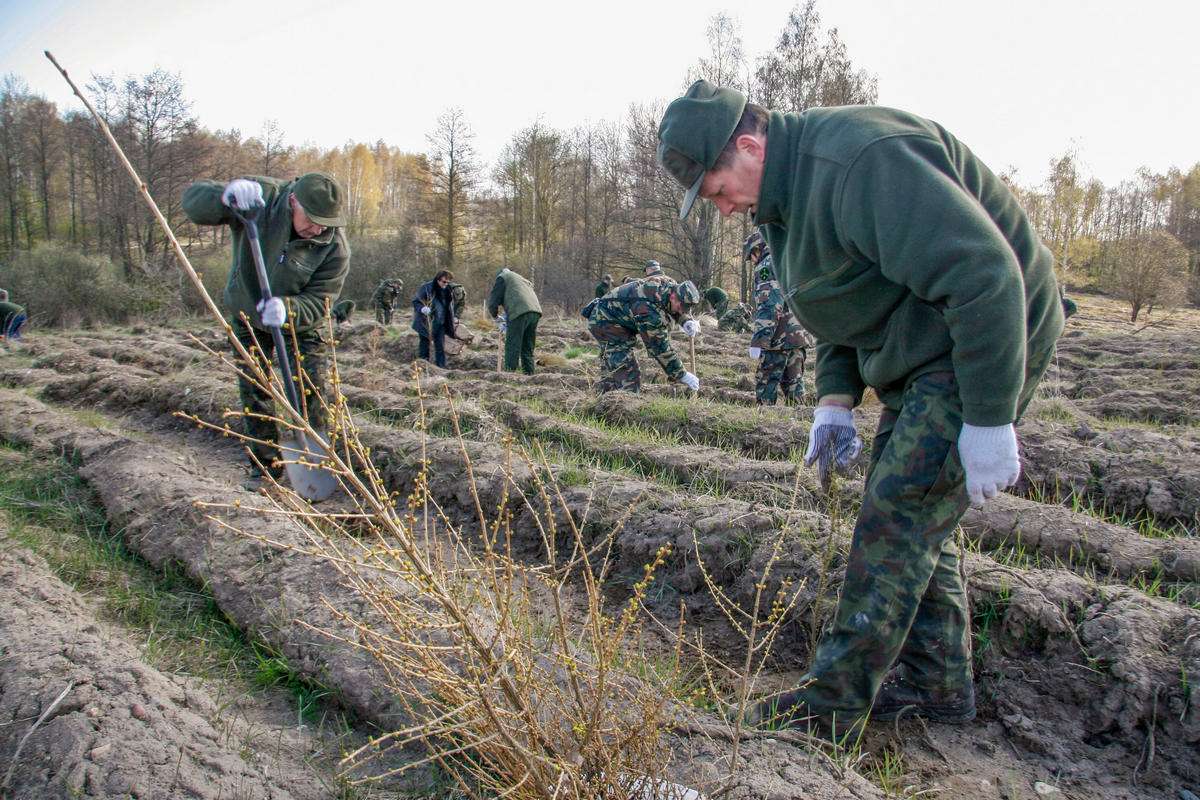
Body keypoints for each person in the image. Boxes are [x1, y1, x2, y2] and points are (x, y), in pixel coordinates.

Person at [657, 80, 1064, 735]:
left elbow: (986, 277)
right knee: (912, 508)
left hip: (979, 340)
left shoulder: (859, 161)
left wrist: (989, 417)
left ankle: (833, 705)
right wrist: (834, 400)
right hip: (923, 349)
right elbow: (842, 304)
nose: (723, 208)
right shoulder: (782, 207)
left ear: (750, 146)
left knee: (896, 513)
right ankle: (938, 688)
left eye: (716, 190)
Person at [182, 172, 350, 488]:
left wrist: (290, 309)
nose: (317, 229)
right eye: (311, 219)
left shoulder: (334, 247)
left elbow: (321, 300)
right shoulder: (262, 201)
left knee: (309, 392)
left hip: (300, 324)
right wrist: (225, 195)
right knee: (255, 390)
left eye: (325, 223)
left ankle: (314, 464)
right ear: (292, 201)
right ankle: (266, 470)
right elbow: (193, 203)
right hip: (249, 311)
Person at [586, 278, 702, 394]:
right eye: (681, 307)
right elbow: (659, 348)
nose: (683, 311)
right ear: (673, 297)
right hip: (605, 322)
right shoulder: (650, 312)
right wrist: (682, 374)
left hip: (616, 318)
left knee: (612, 366)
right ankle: (624, 404)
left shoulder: (670, 286)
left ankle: (606, 399)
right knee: (628, 374)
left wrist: (685, 321)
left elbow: (671, 307)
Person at [746, 231, 813, 404]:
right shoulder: (788, 258)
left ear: (757, 250)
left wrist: (759, 341)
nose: (752, 261)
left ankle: (763, 428)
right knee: (795, 389)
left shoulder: (766, 266)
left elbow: (770, 305)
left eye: (751, 257)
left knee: (766, 387)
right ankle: (798, 429)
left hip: (778, 340)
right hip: (799, 336)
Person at [486, 267, 542, 375]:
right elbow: (519, 296)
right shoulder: (522, 279)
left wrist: (495, 316)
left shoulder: (502, 277)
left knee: (512, 345)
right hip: (535, 312)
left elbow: (493, 301)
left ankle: (509, 375)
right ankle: (529, 374)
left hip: (519, 312)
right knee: (527, 346)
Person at [412, 270, 457, 368]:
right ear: (438, 279)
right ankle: (423, 367)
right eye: (444, 282)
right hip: (426, 322)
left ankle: (441, 368)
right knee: (424, 345)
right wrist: (422, 308)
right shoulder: (426, 288)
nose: (446, 284)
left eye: (448, 282)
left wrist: (453, 317)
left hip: (441, 322)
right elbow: (416, 301)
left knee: (440, 346)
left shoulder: (448, 290)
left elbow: (449, 306)